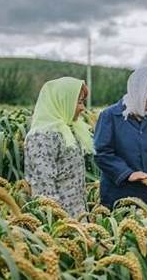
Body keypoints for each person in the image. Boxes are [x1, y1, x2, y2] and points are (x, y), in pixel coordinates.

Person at [94, 66, 147, 209]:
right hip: (121, 195)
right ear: (137, 90)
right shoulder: (111, 115)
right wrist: (127, 174)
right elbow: (102, 153)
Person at [24, 77, 93, 219]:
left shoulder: (69, 129)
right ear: (62, 102)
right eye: (79, 102)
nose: (82, 108)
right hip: (59, 224)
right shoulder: (42, 137)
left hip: (78, 218)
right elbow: (44, 190)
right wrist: (59, 226)